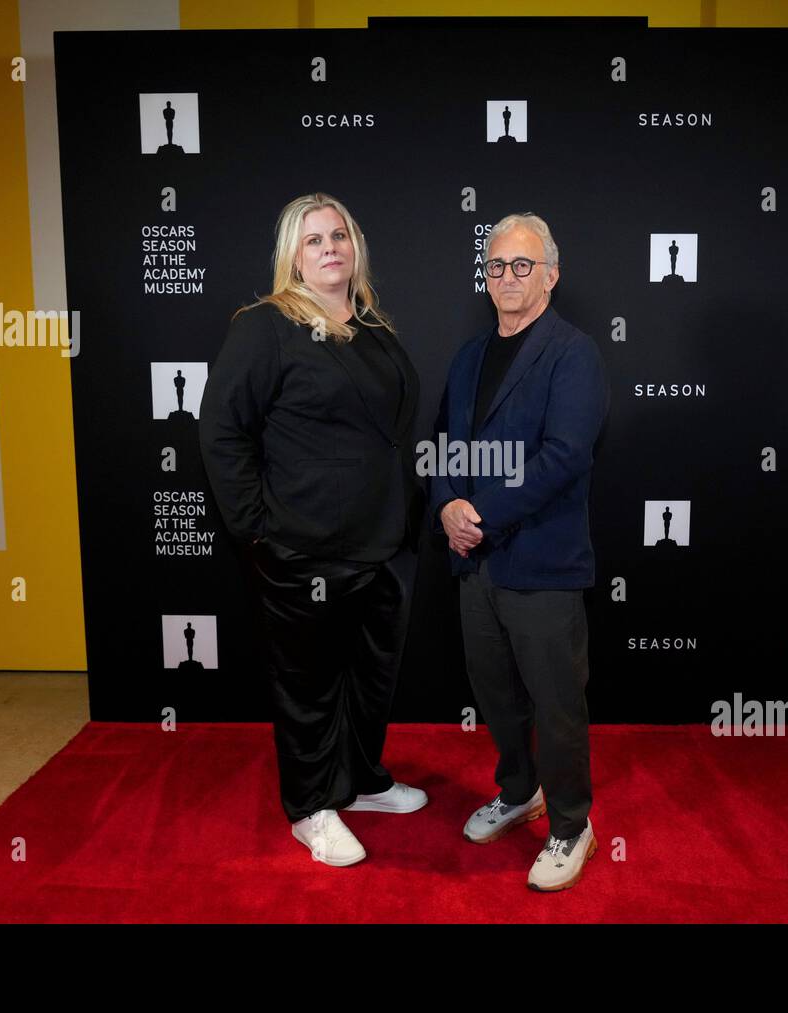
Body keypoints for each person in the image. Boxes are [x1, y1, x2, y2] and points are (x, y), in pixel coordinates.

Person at [198, 192, 426, 868]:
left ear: (355, 247)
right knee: (309, 683)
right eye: (312, 240)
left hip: (383, 545)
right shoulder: (266, 327)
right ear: (292, 257)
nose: (329, 248)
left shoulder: (373, 330)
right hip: (304, 548)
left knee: (369, 677)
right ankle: (311, 806)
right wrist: (257, 528)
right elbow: (221, 429)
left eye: (338, 236)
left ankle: (356, 782)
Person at [431, 212, 609, 891]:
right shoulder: (471, 354)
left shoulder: (573, 352)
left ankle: (572, 825)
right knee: (495, 694)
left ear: (551, 273)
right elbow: (442, 440)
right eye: (498, 265)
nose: (508, 276)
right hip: (475, 565)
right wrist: (447, 503)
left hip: (542, 564)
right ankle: (519, 791)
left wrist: (481, 516)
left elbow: (564, 456)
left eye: (523, 265)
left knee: (557, 703)